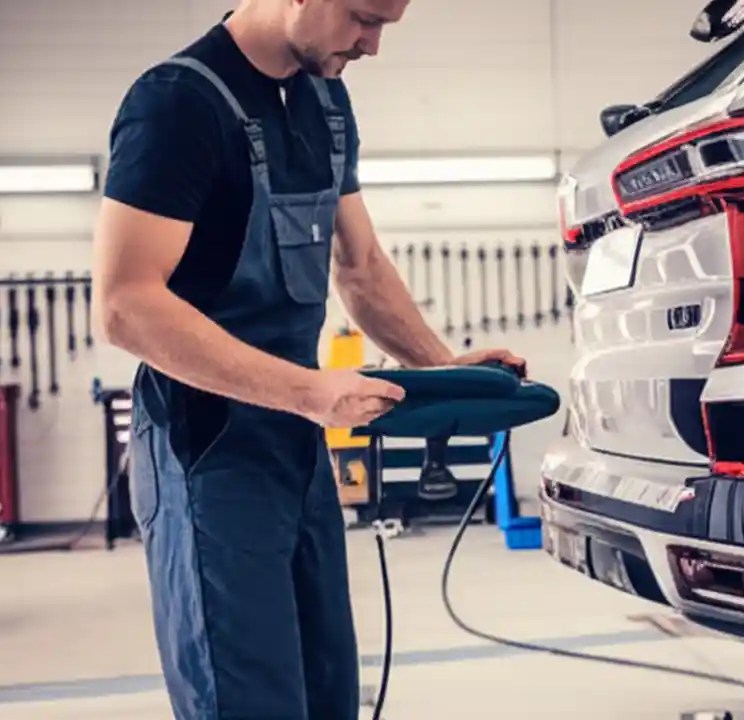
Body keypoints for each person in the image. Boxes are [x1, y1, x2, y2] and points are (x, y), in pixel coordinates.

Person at [90, 1, 525, 717]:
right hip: (205, 448)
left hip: (294, 439)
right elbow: (123, 305)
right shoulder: (177, 104)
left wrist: (444, 369)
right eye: (363, 17)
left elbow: (362, 268)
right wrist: (309, 393)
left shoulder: (326, 101)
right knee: (246, 698)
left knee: (327, 689)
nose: (373, 45)